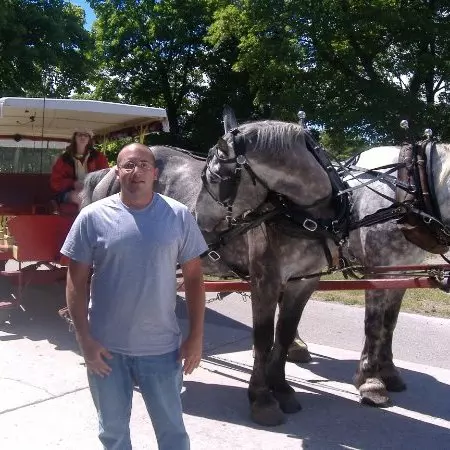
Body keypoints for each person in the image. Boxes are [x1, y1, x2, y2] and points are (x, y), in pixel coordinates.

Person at [61, 143, 207, 450]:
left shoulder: (178, 216)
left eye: (143, 165)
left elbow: (194, 278)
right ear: (117, 172)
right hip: (105, 351)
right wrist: (85, 340)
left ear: (155, 174)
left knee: (173, 434)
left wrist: (196, 336)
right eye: (128, 165)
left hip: (162, 350)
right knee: (112, 434)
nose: (135, 171)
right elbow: (76, 282)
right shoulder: (92, 217)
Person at [50, 129, 109, 206]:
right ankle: (85, 218)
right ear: (75, 138)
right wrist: (73, 184)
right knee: (81, 198)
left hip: (93, 190)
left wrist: (90, 185)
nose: (83, 137)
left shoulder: (98, 157)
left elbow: (106, 177)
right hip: (68, 192)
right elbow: (55, 182)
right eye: (79, 135)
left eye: (86, 135)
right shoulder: (64, 159)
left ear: (89, 139)